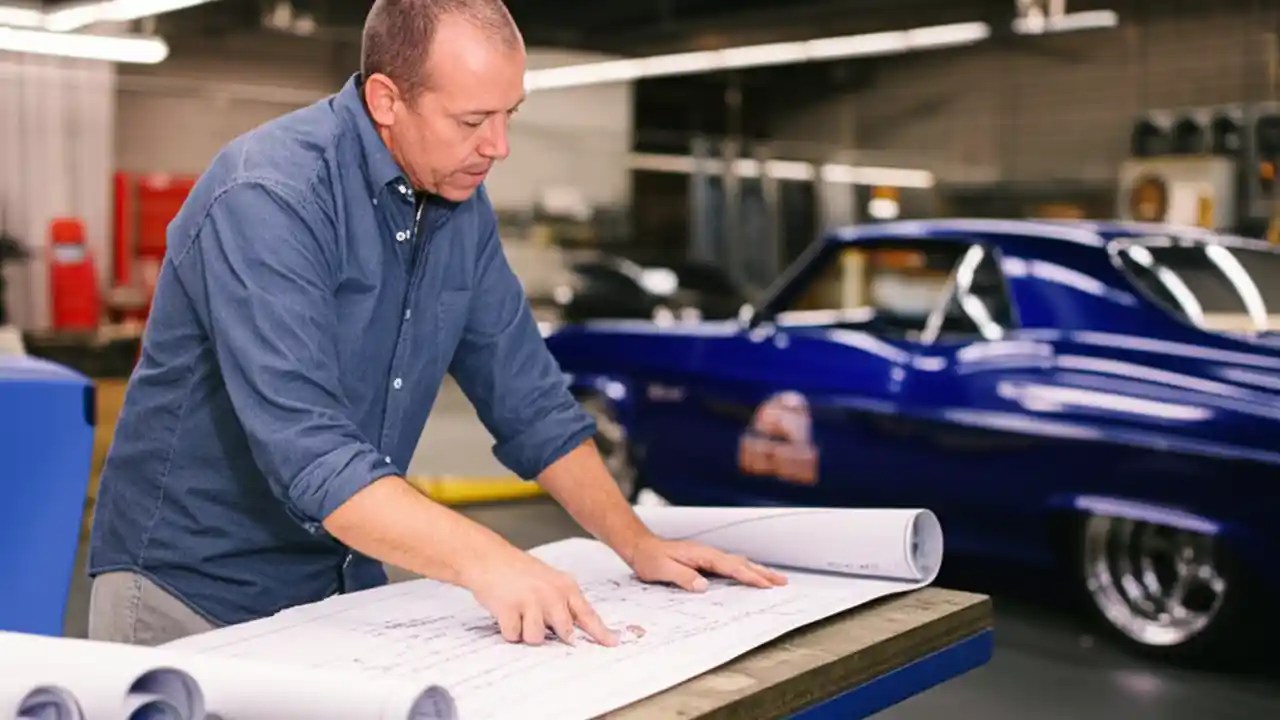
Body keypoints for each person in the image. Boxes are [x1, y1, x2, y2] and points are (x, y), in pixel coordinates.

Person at [86, 0, 786, 649]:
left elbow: (530, 400)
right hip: (192, 591)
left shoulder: (456, 206)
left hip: (334, 588)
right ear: (387, 100)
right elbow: (311, 452)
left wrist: (636, 542)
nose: (500, 146)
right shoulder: (270, 196)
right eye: (473, 120)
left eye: (510, 113)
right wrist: (492, 561)